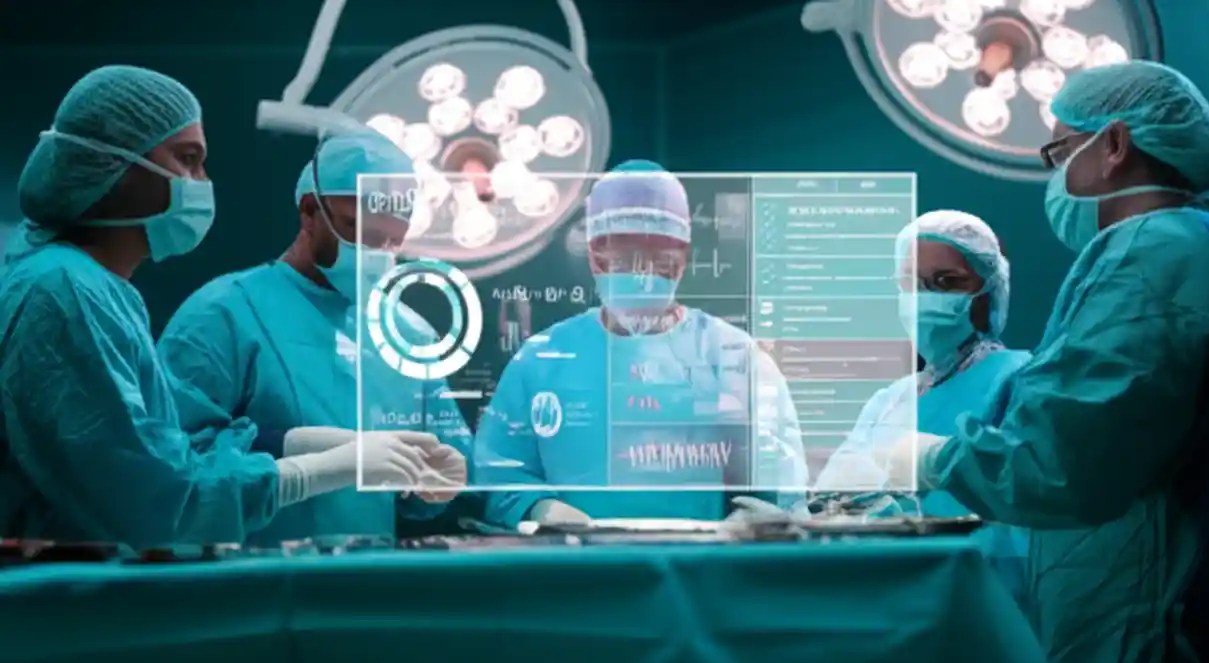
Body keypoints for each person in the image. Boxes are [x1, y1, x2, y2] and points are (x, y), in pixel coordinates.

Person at [880, 61, 1209, 663]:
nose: (1056, 177)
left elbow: (1062, 462)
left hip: (1154, 645)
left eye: (1061, 152)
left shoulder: (1152, 252)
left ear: (1114, 145)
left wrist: (928, 458)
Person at [0, 66, 438, 549]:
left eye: (392, 241)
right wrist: (314, 470)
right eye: (188, 159)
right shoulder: (64, 294)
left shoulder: (93, 290)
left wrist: (300, 444)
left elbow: (170, 451)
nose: (202, 182)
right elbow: (161, 502)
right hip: (66, 606)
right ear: (111, 164)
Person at [158, 131, 470, 545]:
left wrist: (434, 482)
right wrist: (292, 448)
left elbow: (425, 488)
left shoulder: (409, 333)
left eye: (394, 240)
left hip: (370, 583)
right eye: (361, 232)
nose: (380, 252)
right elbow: (171, 465)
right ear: (309, 211)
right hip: (251, 586)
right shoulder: (223, 314)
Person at [474, 160, 808, 526]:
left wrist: (759, 518)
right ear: (595, 258)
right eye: (623, 259)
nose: (642, 275)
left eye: (658, 261)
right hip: (572, 567)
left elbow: (780, 482)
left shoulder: (733, 356)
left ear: (683, 260)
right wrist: (540, 508)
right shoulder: (542, 360)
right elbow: (498, 473)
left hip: (702, 568)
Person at [815, 210, 1030, 607]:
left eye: (946, 283)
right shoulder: (889, 400)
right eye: (909, 284)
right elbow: (832, 499)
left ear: (990, 291)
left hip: (976, 595)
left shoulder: (1018, 380)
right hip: (882, 595)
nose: (924, 298)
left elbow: (1021, 508)